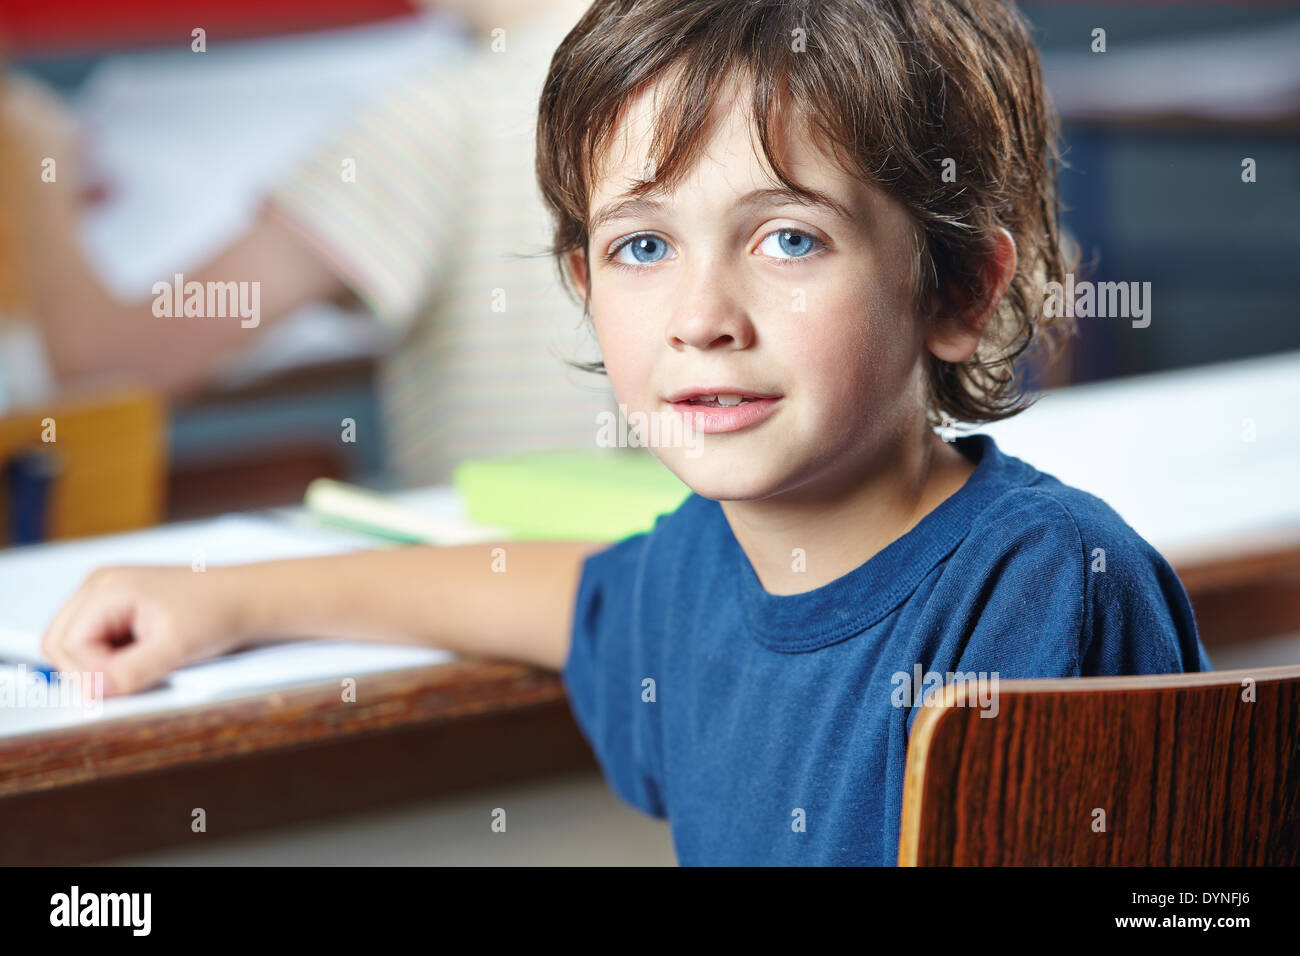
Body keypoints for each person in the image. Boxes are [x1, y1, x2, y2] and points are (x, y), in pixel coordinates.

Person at [39, 0, 1212, 866]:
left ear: (958, 292)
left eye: (790, 238)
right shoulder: (703, 564)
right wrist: (228, 599)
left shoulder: (1045, 585)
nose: (702, 319)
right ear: (582, 279)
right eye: (642, 247)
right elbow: (554, 592)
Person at [15, 0, 608, 484]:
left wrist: (33, 172)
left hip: (487, 580)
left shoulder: (437, 118)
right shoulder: (688, 77)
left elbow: (107, 367)